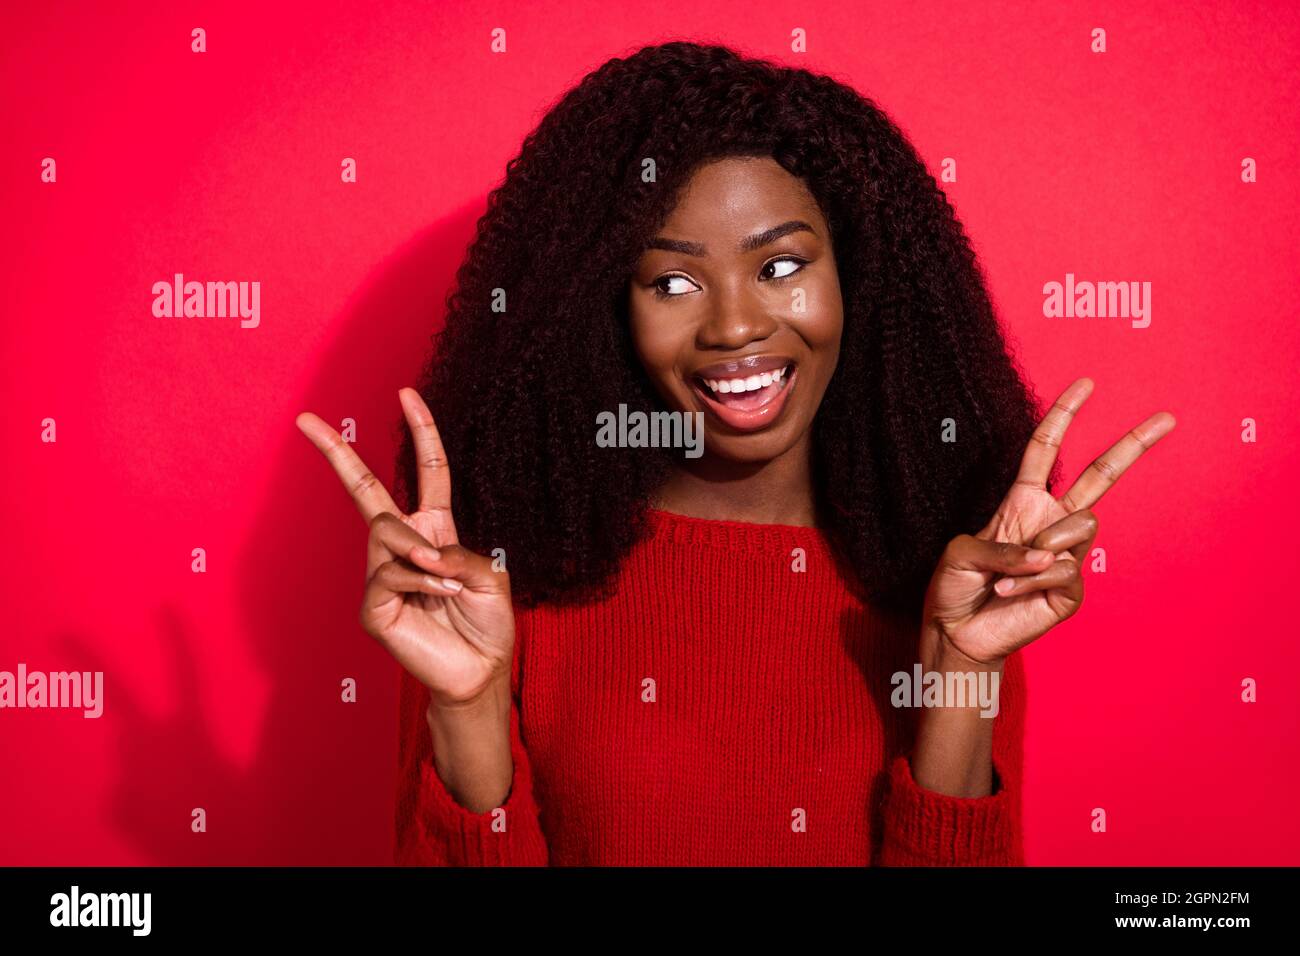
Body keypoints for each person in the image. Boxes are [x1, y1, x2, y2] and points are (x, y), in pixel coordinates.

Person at [295, 41, 1174, 865]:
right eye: (672, 282)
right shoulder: (497, 582)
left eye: (782, 266)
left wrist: (962, 681)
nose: (735, 326)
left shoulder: (953, 583)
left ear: (855, 279)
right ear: (608, 309)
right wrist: (470, 712)